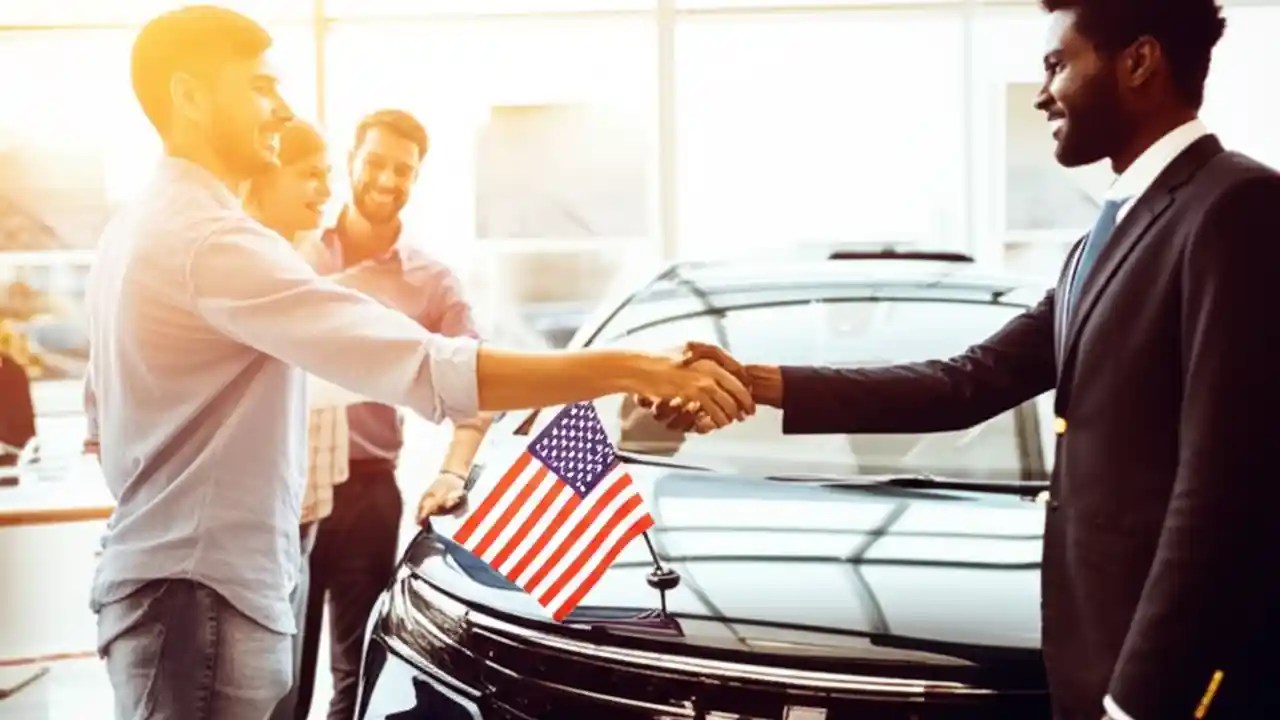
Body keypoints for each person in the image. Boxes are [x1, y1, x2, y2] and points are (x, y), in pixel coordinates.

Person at [85, 7, 752, 719]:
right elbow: (430, 368)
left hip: (189, 583)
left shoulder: (144, 226)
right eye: (259, 88)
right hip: (199, 595)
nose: (280, 110)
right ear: (189, 96)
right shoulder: (210, 242)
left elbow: (107, 420)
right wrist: (634, 368)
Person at [657, 1, 1280, 718]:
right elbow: (966, 384)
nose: (1043, 92)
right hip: (1090, 666)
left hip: (1161, 687)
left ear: (1139, 62)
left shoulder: (1237, 209)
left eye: (1057, 64)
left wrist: (1140, 699)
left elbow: (1224, 493)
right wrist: (755, 382)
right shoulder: (1102, 240)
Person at [291, 108, 492, 720]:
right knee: (278, 672)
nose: (387, 179)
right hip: (285, 485)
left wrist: (452, 473)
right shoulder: (292, 249)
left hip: (369, 494)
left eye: (403, 170)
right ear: (351, 161)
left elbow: (475, 387)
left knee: (357, 674)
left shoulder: (431, 282)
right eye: (375, 162)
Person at [242, 117, 343, 720]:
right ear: (267, 172)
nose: (326, 190)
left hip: (303, 513)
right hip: (258, 533)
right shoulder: (252, 266)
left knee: (290, 692)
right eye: (311, 173)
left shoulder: (300, 259)